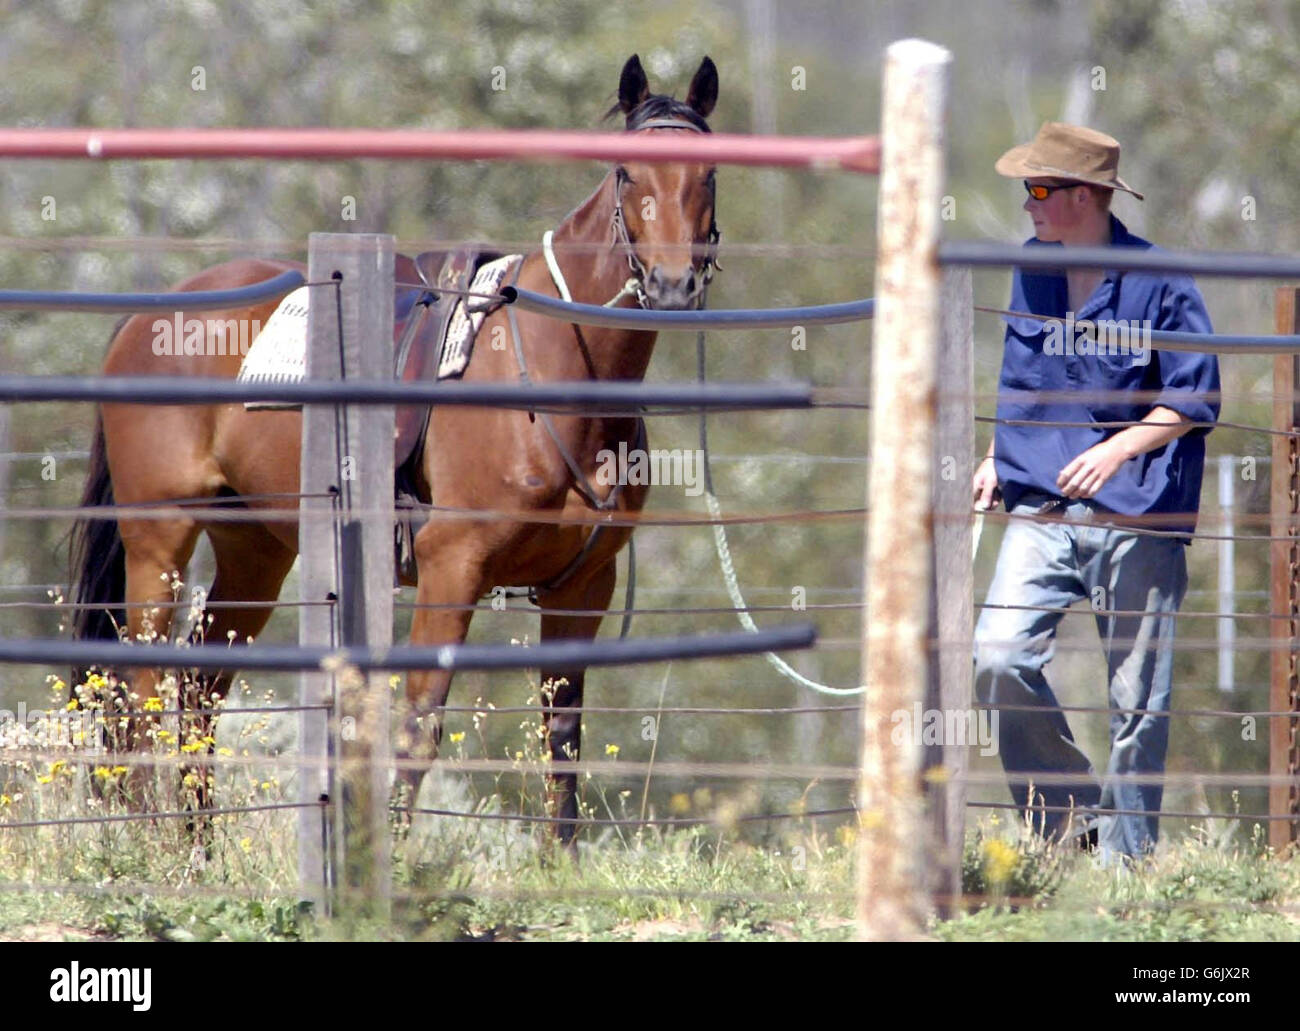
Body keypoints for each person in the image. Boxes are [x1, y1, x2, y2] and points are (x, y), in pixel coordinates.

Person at [972, 122, 1221, 862]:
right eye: (1026, 189)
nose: (1028, 204)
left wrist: (1118, 447)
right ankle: (1068, 818)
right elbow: (1025, 379)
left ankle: (1127, 869)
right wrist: (994, 453)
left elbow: (1197, 396)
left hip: (1141, 507)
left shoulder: (1161, 278)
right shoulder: (1033, 268)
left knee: (1137, 700)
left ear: (1087, 196)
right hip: (1043, 500)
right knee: (996, 655)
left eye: (1040, 189)